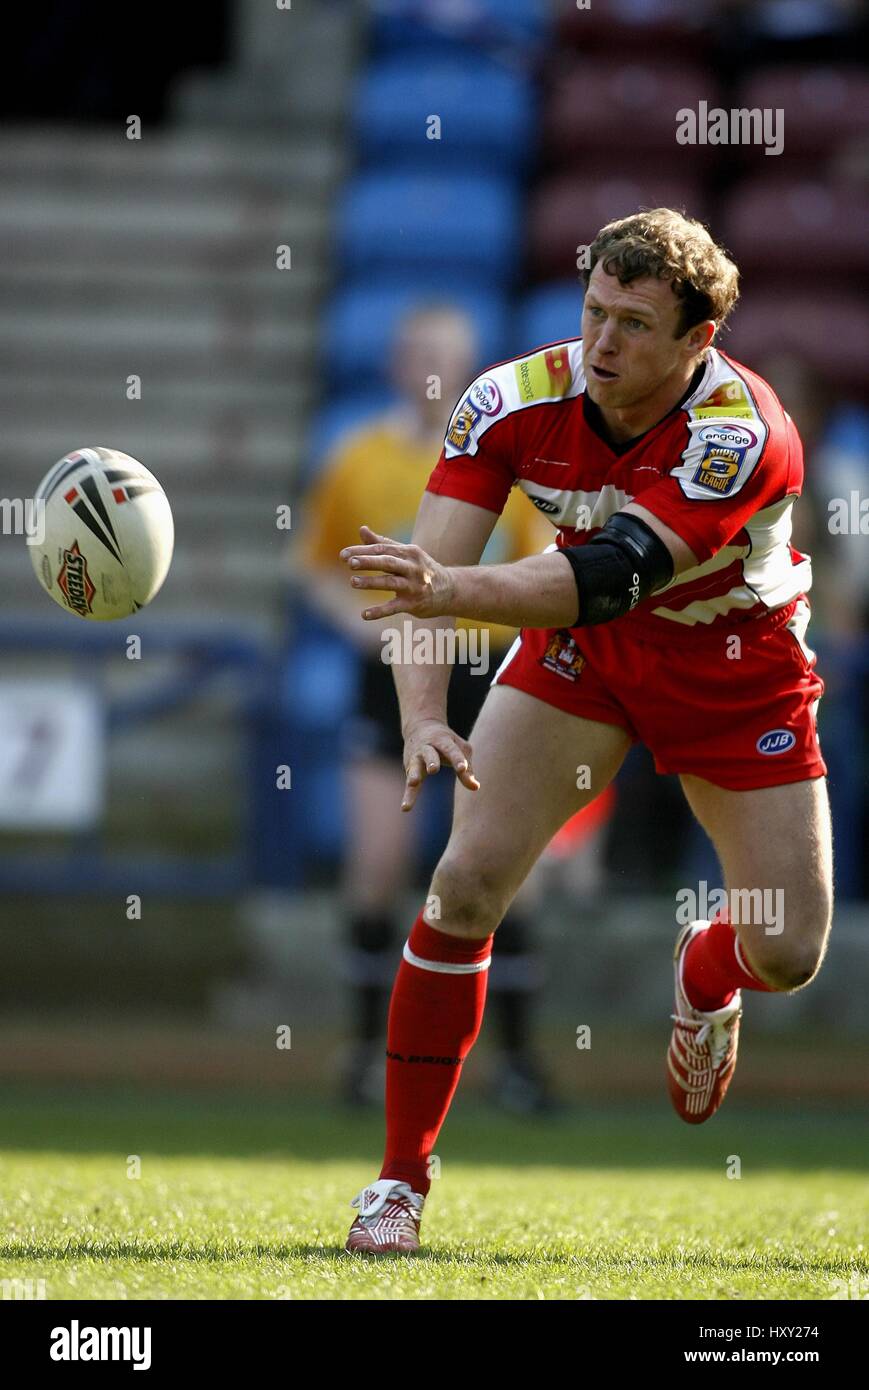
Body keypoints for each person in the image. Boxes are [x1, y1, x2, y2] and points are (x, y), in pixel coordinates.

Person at [338, 209, 833, 1255]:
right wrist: (424, 715)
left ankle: (704, 968)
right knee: (464, 882)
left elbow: (605, 576)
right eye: (593, 310)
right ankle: (397, 1183)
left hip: (734, 671)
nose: (601, 343)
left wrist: (454, 589)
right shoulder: (510, 399)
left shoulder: (740, 431)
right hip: (586, 662)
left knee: (787, 952)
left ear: (697, 341)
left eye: (634, 325)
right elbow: (412, 582)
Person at [297, 303, 558, 1112]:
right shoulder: (359, 457)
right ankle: (365, 1057)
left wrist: (494, 608)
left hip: (485, 666)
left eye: (448, 356)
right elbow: (311, 560)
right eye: (419, 354)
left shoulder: (510, 463)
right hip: (391, 668)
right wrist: (356, 620)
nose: (432, 371)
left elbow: (548, 558)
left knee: (506, 871)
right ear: (396, 366)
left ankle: (516, 1062)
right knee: (376, 866)